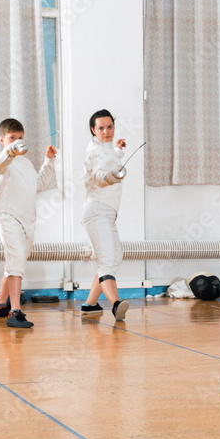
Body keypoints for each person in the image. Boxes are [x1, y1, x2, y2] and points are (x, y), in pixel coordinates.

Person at [0, 118, 57, 328]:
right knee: (16, 262)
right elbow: (1, 161)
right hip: (9, 218)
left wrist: (48, 161)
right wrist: (11, 150)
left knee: (15, 264)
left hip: (29, 222)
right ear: (2, 139)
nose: (17, 141)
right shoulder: (3, 163)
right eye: (12, 138)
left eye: (20, 138)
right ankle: (15, 311)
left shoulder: (27, 164)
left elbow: (40, 184)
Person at [79, 109, 129, 321]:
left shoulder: (105, 147)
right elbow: (99, 173)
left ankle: (90, 305)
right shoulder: (95, 150)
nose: (106, 132)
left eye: (110, 127)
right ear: (93, 130)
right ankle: (116, 304)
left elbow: (108, 158)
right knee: (107, 260)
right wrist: (109, 176)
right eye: (101, 128)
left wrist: (118, 151)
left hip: (107, 214)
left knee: (114, 257)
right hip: (97, 211)